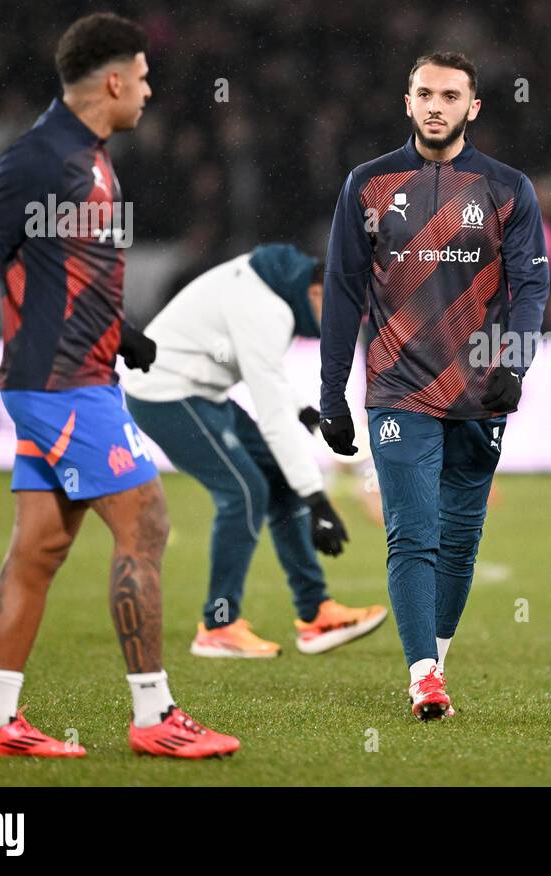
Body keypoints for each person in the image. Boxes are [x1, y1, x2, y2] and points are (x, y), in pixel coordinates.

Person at [0, 12, 238, 758]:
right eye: (144, 73)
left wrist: (123, 333)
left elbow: (69, 265)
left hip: (80, 374)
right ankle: (154, 716)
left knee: (38, 548)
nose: (151, 89)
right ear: (113, 79)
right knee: (148, 521)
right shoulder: (40, 157)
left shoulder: (92, 158)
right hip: (59, 384)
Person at [318, 51, 550, 720]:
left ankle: (434, 662)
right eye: (425, 93)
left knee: (460, 541)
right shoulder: (367, 184)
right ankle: (424, 675)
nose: (436, 105)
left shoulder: (508, 189)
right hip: (398, 388)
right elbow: (342, 292)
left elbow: (532, 285)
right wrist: (332, 395)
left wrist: (517, 362)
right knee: (412, 534)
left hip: (481, 390)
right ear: (408, 101)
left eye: (451, 94)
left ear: (473, 107)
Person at [122, 244, 387, 657]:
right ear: (318, 293)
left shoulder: (275, 287)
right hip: (165, 395)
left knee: (277, 485)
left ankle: (316, 613)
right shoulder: (269, 309)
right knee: (244, 492)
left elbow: (265, 374)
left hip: (200, 392)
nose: (343, 325)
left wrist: (304, 412)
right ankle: (218, 625)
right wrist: (318, 500)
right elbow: (271, 414)